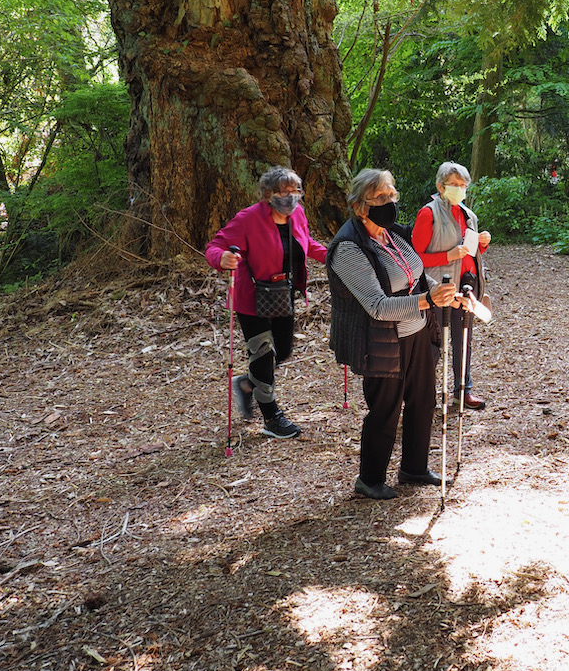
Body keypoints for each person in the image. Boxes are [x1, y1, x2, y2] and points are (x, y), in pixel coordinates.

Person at [327, 169, 460, 500]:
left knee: (423, 400)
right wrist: (427, 301)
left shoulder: (393, 234)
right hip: (382, 339)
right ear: (360, 206)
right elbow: (376, 305)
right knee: (386, 409)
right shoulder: (348, 248)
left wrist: (441, 292)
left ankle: (414, 468)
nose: (390, 203)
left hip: (416, 332)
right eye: (381, 198)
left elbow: (416, 277)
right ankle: (369, 479)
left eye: (392, 195)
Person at [206, 166, 327, 441]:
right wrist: (222, 259)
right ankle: (272, 417)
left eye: (295, 191)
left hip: (283, 293)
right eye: (284, 191)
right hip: (252, 297)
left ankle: (247, 383)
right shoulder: (248, 219)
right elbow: (215, 246)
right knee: (262, 354)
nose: (291, 197)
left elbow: (306, 242)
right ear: (268, 194)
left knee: (282, 352)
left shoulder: (298, 214)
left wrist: (335, 256)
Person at [411, 162, 492, 410]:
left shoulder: (468, 214)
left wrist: (482, 244)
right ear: (440, 186)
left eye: (463, 185)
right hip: (437, 288)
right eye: (454, 185)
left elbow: (469, 252)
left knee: (463, 339)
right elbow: (413, 258)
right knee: (433, 344)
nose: (459, 189)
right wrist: (448, 256)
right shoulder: (428, 213)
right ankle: (421, 395)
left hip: (466, 287)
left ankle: (462, 391)